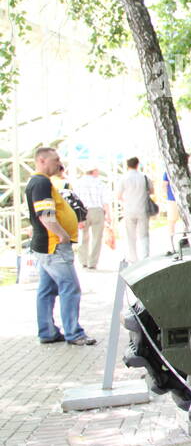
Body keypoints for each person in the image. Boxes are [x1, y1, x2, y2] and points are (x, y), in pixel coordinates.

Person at [25, 147, 96, 346]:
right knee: (70, 288)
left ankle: (47, 331)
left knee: (47, 289)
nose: (58, 163)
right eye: (55, 159)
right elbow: (45, 215)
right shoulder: (41, 183)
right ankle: (74, 333)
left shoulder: (39, 182)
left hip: (46, 246)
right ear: (41, 160)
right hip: (53, 246)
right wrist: (62, 234)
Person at [118, 156, 151, 261]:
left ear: (127, 165)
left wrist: (125, 201)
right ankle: (145, 256)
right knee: (144, 234)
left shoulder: (124, 178)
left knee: (130, 235)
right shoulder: (144, 177)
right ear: (138, 164)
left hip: (129, 209)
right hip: (142, 208)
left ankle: (133, 257)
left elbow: (118, 195)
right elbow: (151, 190)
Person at [76, 165, 109, 269]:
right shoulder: (100, 183)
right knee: (96, 238)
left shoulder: (78, 183)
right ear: (94, 171)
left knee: (83, 236)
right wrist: (108, 215)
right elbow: (105, 201)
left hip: (82, 211)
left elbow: (75, 200)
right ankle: (92, 262)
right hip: (97, 210)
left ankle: (83, 260)